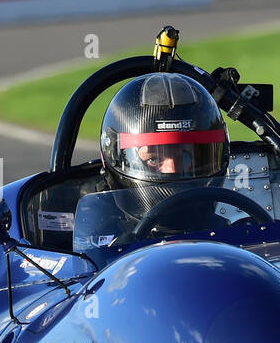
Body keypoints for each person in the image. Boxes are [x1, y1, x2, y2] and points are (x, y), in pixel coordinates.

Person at [74, 72, 239, 256]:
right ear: (113, 157)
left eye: (186, 157)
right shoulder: (94, 248)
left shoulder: (240, 237)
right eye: (153, 159)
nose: (173, 170)